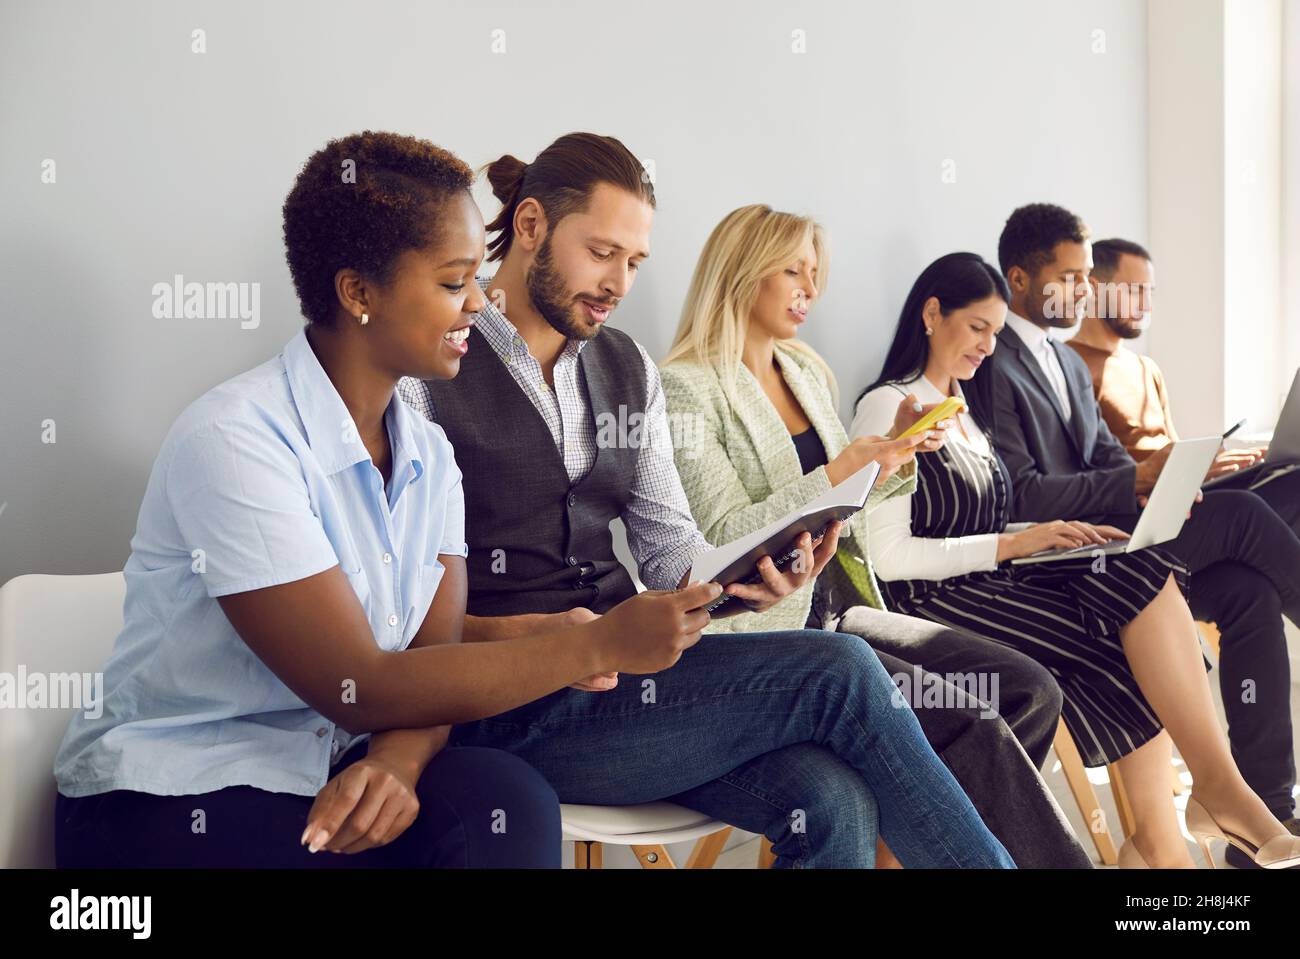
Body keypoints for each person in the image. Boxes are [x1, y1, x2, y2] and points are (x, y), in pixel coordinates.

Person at [398, 133, 1013, 868]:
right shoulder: (428, 370)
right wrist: (557, 638)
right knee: (843, 669)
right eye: (601, 253)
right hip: (507, 709)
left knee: (832, 798)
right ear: (530, 226)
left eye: (634, 262)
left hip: (628, 688)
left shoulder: (627, 367)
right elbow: (399, 615)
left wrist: (752, 582)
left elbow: (672, 560)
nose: (619, 282)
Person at [659, 204, 1090, 868]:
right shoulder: (686, 389)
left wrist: (897, 455)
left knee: (1024, 689)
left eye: (816, 274)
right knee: (968, 720)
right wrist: (844, 465)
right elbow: (722, 535)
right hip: (767, 630)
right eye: (792, 271)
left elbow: (847, 509)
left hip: (840, 606)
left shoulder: (805, 373)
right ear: (743, 273)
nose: (810, 289)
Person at [851, 250, 1300, 869]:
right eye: (977, 328)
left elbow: (979, 514)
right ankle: (1179, 830)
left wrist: (1046, 532)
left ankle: (1180, 825)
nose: (987, 347)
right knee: (1129, 606)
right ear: (932, 313)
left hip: (989, 578)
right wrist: (1012, 545)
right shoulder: (888, 406)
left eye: (995, 333)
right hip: (930, 601)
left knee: (1133, 570)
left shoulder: (966, 412)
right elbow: (886, 556)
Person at [973, 204, 1300, 866]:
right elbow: (1019, 491)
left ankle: (1264, 804)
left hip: (1116, 537)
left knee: (1246, 586)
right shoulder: (989, 361)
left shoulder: (1061, 364)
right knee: (1244, 517)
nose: (1085, 289)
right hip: (1061, 560)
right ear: (1020, 276)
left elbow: (1108, 462)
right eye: (1071, 276)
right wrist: (1138, 481)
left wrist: (1163, 474)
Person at [1067, 236, 1300, 534]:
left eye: (1149, 292)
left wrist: (1206, 467)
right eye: (1135, 291)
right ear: (1096, 290)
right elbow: (1089, 470)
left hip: (1185, 490)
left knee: (1291, 479)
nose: (1146, 304)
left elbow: (1171, 446)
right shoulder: (1071, 364)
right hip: (1141, 503)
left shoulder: (1145, 368)